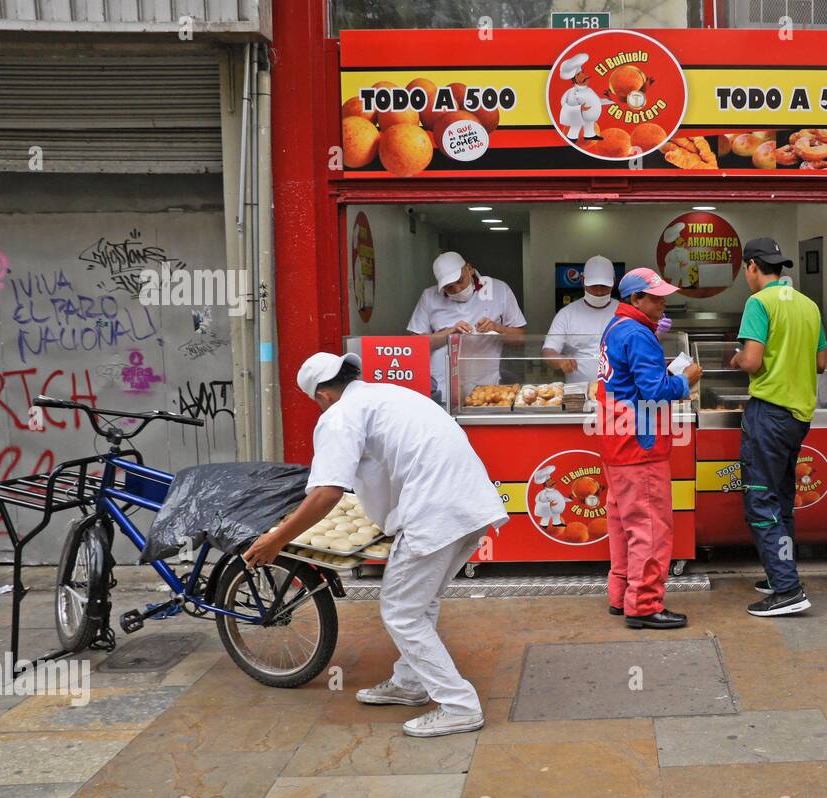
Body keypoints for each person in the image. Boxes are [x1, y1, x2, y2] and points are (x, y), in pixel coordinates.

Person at [243, 352, 509, 738]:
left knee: (402, 611)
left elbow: (327, 492)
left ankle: (458, 705)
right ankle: (410, 682)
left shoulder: (339, 415)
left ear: (322, 396)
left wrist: (276, 538)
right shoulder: (390, 395)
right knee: (422, 601)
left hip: (436, 512)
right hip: (471, 506)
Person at [597, 268, 702, 629]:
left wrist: (652, 333)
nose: (663, 301)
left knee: (624, 524)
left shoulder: (615, 327)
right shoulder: (637, 334)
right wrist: (683, 380)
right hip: (640, 446)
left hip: (615, 443)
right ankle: (643, 605)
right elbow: (655, 391)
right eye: (655, 297)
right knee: (650, 527)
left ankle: (621, 593)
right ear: (634, 300)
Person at [731, 237, 827, 617]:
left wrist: (736, 358)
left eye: (746, 270)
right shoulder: (808, 305)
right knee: (782, 500)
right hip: (798, 417)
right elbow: (821, 363)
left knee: (760, 500)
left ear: (752, 266)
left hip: (768, 414)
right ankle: (779, 574)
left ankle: (787, 589)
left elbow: (752, 361)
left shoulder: (759, 303)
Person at [407, 251, 525, 403]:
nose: (457, 289)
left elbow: (520, 337)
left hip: (486, 385)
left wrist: (497, 328)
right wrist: (450, 333)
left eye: (460, 281)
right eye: (449, 287)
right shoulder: (429, 297)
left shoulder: (499, 290)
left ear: (469, 268)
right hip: (443, 385)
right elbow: (415, 345)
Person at [544, 255, 619, 384]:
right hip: (578, 392)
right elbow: (548, 351)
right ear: (583, 281)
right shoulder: (567, 314)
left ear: (613, 282)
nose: (600, 292)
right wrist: (560, 360)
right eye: (594, 286)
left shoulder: (624, 312)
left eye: (604, 286)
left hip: (617, 392)